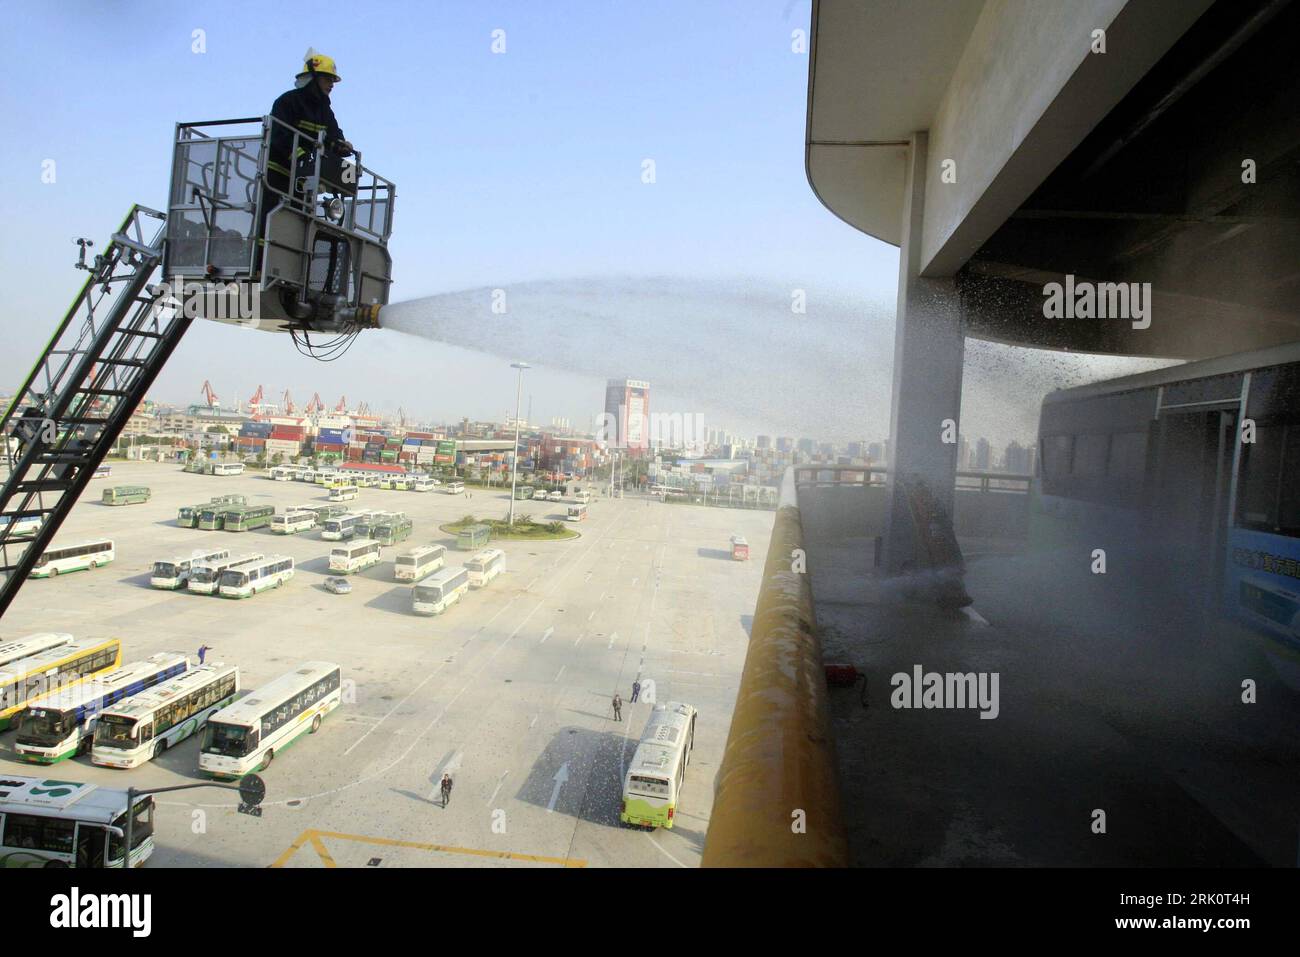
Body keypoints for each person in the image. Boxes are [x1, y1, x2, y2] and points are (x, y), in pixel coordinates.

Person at [259, 52, 354, 246]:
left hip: (302, 177)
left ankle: (291, 260)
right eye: (328, 79)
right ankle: (261, 260)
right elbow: (279, 135)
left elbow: (333, 136)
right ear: (313, 78)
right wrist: (301, 157)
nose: (332, 85)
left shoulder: (325, 111)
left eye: (333, 80)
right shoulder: (288, 102)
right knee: (271, 216)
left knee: (298, 220)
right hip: (278, 171)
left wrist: (342, 146)